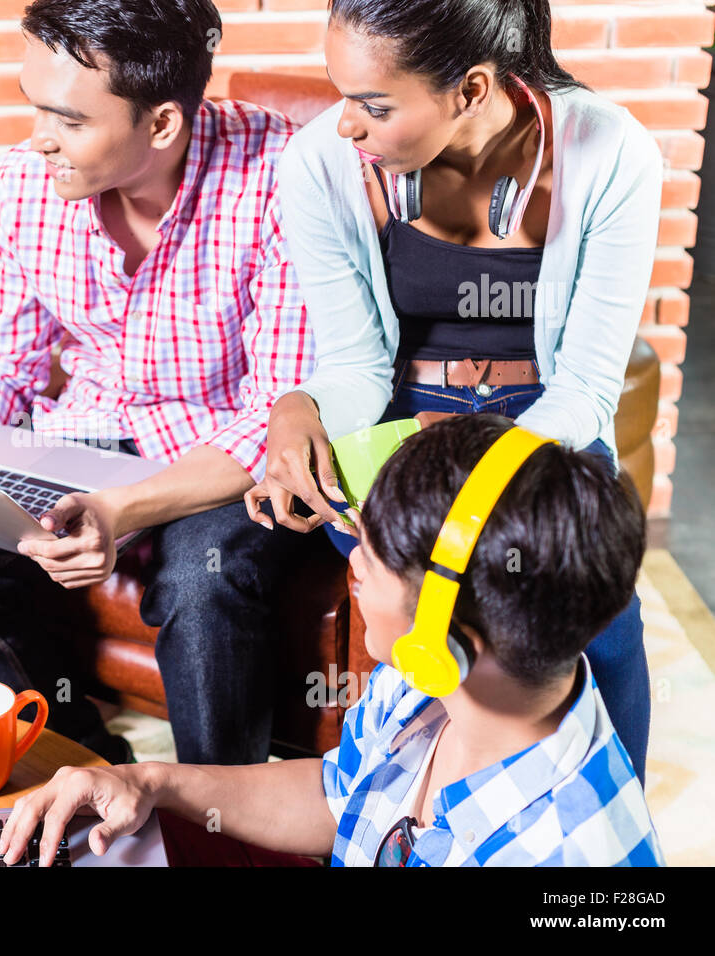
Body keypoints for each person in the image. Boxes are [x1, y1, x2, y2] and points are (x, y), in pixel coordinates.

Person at [0, 0, 313, 766]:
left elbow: (277, 412)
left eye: (69, 121)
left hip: (217, 453)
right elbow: (0, 363)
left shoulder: (281, 177)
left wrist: (117, 511)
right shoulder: (25, 186)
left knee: (203, 581)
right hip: (83, 438)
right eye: (35, 109)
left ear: (160, 124)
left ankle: (216, 817)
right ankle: (86, 770)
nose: (39, 139)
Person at [245, 0, 660, 779]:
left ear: (470, 89)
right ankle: (422, 810)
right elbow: (355, 366)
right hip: (401, 422)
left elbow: (588, 388)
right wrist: (300, 408)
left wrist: (474, 467)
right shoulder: (319, 165)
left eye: (373, 106)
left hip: (547, 422)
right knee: (418, 599)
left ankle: (611, 817)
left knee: (597, 617)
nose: (345, 128)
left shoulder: (612, 153)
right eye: (340, 96)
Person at [0, 415, 663, 867]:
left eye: (372, 557)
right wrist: (147, 780)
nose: (353, 567)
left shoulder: (570, 852)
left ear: (451, 637)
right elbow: (339, 794)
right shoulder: (425, 679)